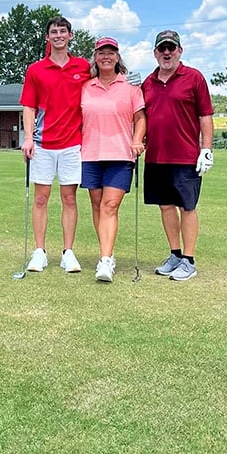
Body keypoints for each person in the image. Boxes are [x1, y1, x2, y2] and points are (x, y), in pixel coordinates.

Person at [20, 15, 91, 273]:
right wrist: (28, 137)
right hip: (43, 144)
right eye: (54, 32)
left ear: (70, 35)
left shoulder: (83, 67)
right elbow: (29, 105)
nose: (58, 35)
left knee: (69, 198)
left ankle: (68, 252)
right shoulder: (36, 70)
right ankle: (39, 252)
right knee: (41, 198)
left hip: (73, 143)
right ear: (48, 37)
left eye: (63, 31)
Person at [142, 30, 214, 281]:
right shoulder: (148, 83)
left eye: (171, 48)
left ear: (180, 51)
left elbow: (205, 115)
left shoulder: (193, 78)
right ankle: (174, 254)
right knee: (165, 207)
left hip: (185, 156)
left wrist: (206, 149)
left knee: (187, 207)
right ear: (155, 53)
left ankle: (189, 260)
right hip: (156, 156)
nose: (167, 53)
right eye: (162, 49)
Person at [80, 37, 146, 282]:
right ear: (95, 58)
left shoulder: (130, 89)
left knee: (110, 206)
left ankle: (106, 260)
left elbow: (140, 119)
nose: (106, 56)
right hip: (90, 154)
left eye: (111, 52)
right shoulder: (86, 88)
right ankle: (105, 253)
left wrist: (137, 139)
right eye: (101, 52)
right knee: (97, 206)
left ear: (118, 57)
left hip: (120, 155)